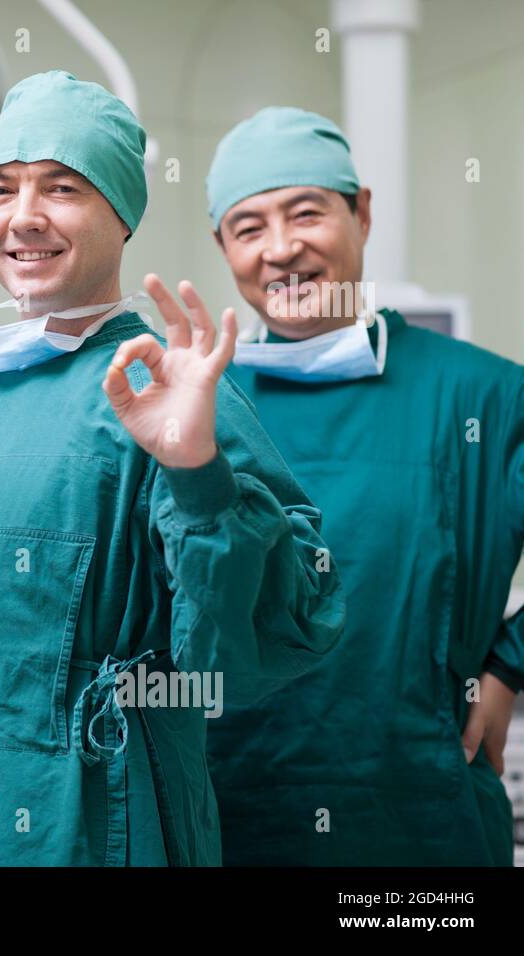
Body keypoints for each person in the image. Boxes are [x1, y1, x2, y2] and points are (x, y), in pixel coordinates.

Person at [0, 71, 345, 866]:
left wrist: (198, 472)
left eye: (62, 188)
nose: (24, 217)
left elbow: (265, 646)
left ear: (123, 215)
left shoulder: (165, 387)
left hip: (100, 829)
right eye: (0, 192)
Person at [203, 107, 523, 865]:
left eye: (306, 212)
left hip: (419, 816)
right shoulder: (199, 406)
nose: (281, 249)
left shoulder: (483, 396)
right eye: (248, 228)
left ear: (363, 213)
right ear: (224, 249)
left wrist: (509, 671)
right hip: (232, 808)